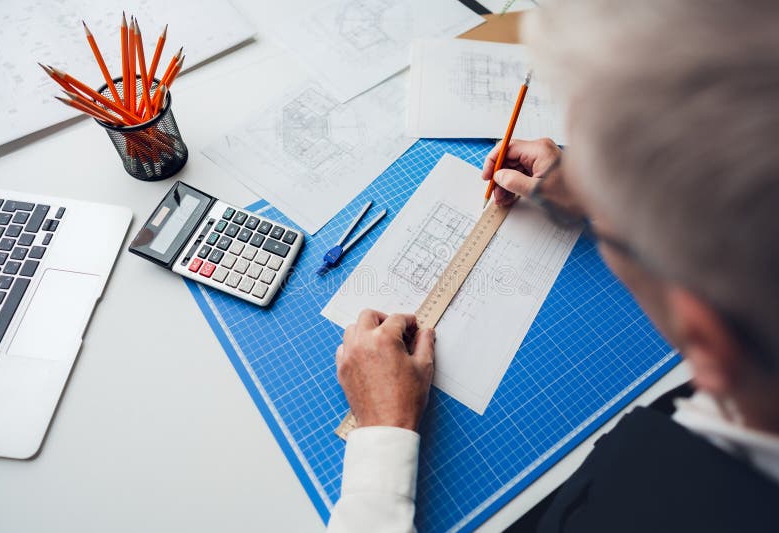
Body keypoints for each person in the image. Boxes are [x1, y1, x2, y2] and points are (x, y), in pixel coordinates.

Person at [326, 0, 779, 531]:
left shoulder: (638, 508)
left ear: (704, 335)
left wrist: (382, 436)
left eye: (615, 234)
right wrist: (607, 194)